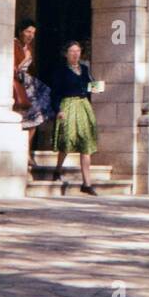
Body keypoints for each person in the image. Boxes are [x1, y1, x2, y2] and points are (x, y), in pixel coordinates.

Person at [51, 41, 99, 197]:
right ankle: (57, 170)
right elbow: (55, 92)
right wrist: (58, 109)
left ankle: (87, 183)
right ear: (66, 53)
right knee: (67, 140)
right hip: (68, 105)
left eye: (78, 51)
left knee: (86, 144)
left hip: (83, 106)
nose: (75, 54)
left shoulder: (84, 69)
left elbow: (89, 86)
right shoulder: (60, 71)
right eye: (72, 51)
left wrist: (96, 87)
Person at [12, 19, 52, 165]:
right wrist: (26, 59)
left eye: (33, 33)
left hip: (29, 86)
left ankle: (26, 151)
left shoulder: (28, 47)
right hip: (17, 85)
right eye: (28, 31)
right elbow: (13, 68)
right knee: (22, 120)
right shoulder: (14, 45)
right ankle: (22, 151)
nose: (30, 35)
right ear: (20, 31)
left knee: (36, 118)